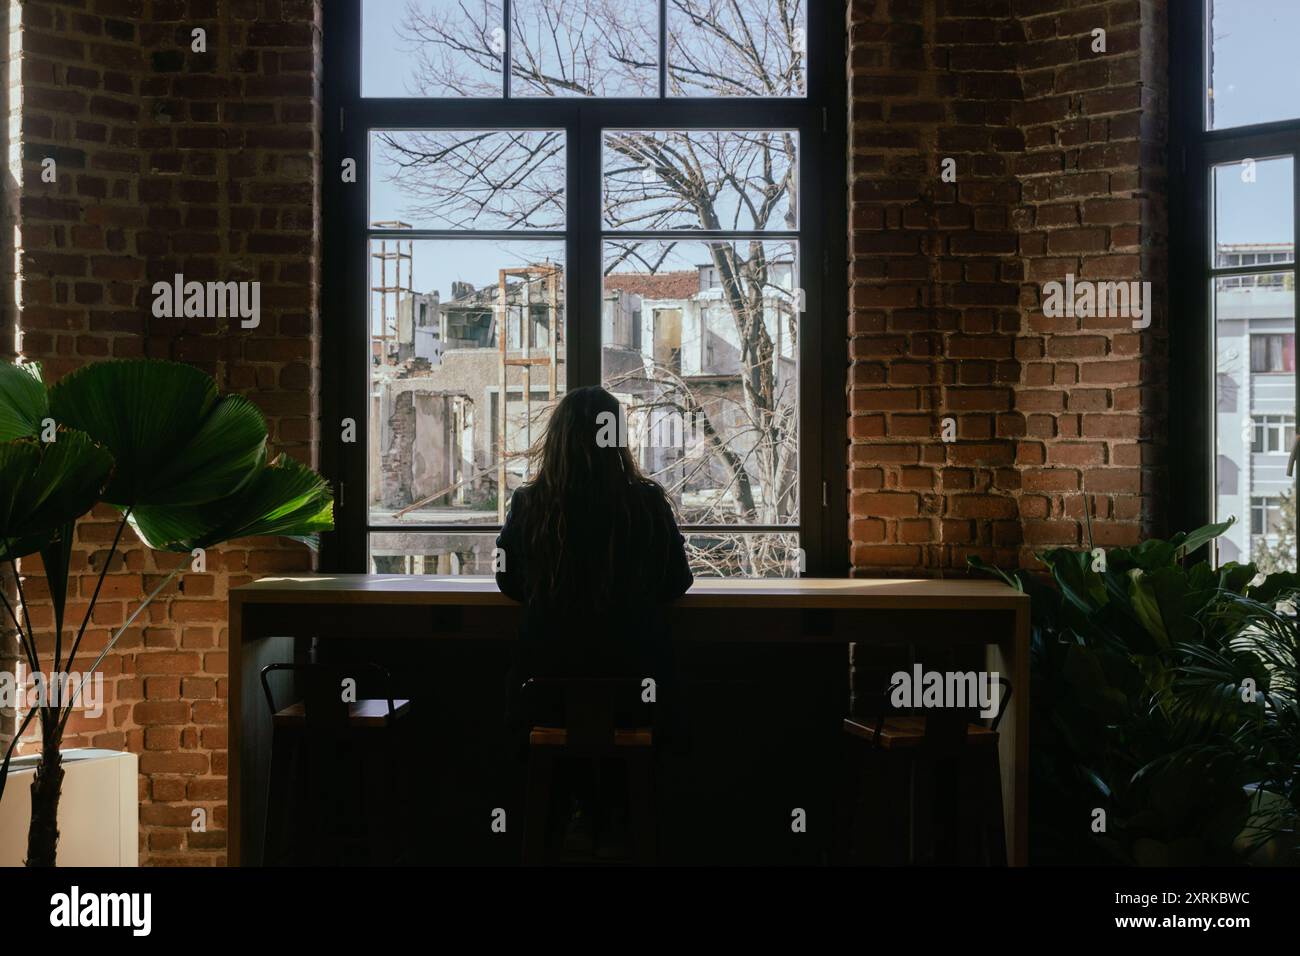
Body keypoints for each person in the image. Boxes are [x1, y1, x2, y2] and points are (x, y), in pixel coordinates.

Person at [495, 385, 693, 856]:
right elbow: (676, 582)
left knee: (545, 727)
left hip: (546, 698)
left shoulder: (530, 504)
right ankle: (613, 821)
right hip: (636, 697)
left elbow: (509, 583)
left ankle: (573, 817)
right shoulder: (645, 503)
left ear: (557, 439)